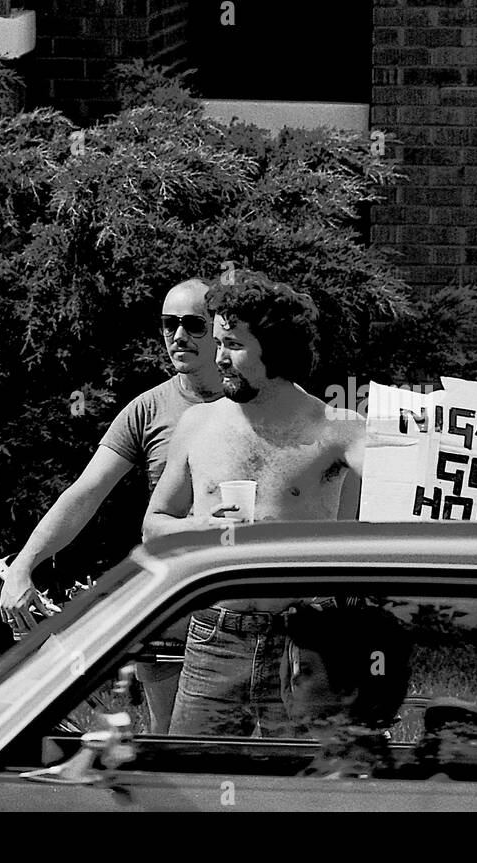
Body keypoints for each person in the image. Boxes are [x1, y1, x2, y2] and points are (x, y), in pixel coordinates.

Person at [142, 270, 368, 736]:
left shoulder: (338, 430)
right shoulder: (198, 425)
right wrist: (201, 525)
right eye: (219, 341)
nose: (219, 357)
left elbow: (410, 487)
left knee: (304, 796)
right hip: (214, 639)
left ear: (276, 348)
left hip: (306, 643)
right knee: (195, 787)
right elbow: (154, 526)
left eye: (234, 344)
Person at [0, 277, 223, 731]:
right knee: (172, 741)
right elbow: (84, 494)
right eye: (168, 324)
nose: (178, 336)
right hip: (173, 599)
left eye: (193, 324)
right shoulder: (149, 408)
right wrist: (23, 565)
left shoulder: (256, 402)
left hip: (240, 598)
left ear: (220, 328)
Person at [280, 601, 412, 778]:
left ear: (347, 691)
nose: (295, 679)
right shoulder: (338, 761)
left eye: (307, 670)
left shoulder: (346, 780)